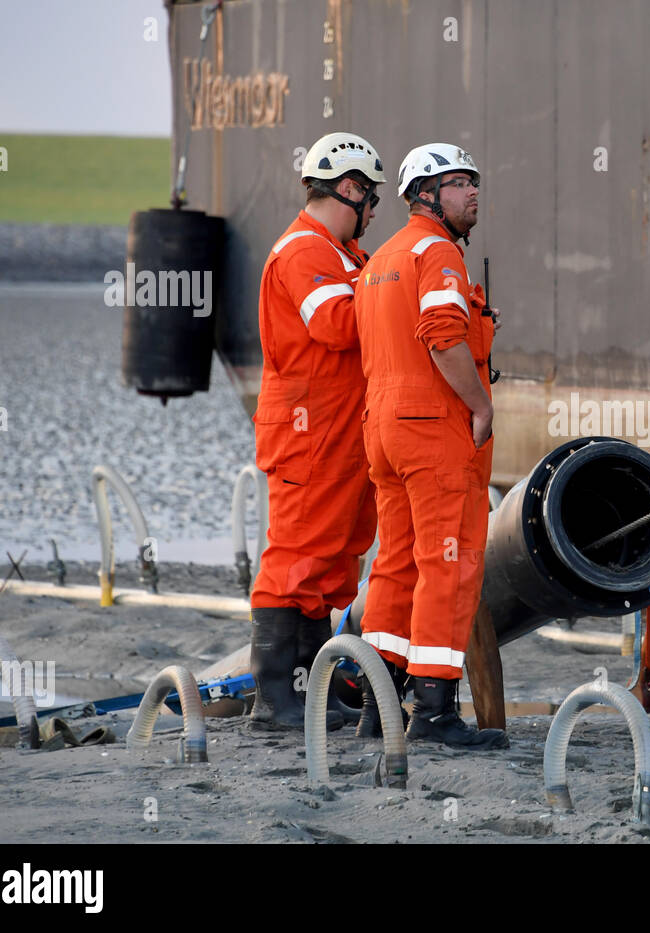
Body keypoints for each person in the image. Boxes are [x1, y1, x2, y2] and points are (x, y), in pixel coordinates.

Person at [354, 143, 507, 750]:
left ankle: (379, 706)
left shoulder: (380, 258)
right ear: (426, 193)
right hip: (431, 430)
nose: (473, 191)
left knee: (394, 563)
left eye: (474, 180)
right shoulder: (437, 252)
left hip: (383, 430)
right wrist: (480, 404)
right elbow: (443, 336)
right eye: (459, 182)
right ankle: (436, 712)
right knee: (450, 561)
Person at [248, 132, 385, 730]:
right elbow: (334, 322)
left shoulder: (341, 254)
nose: (375, 213)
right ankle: (276, 700)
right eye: (372, 199)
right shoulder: (306, 252)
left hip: (338, 430)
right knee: (296, 559)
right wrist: (391, 287)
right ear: (349, 189)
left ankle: (310, 691)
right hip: (309, 432)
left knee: (330, 564)